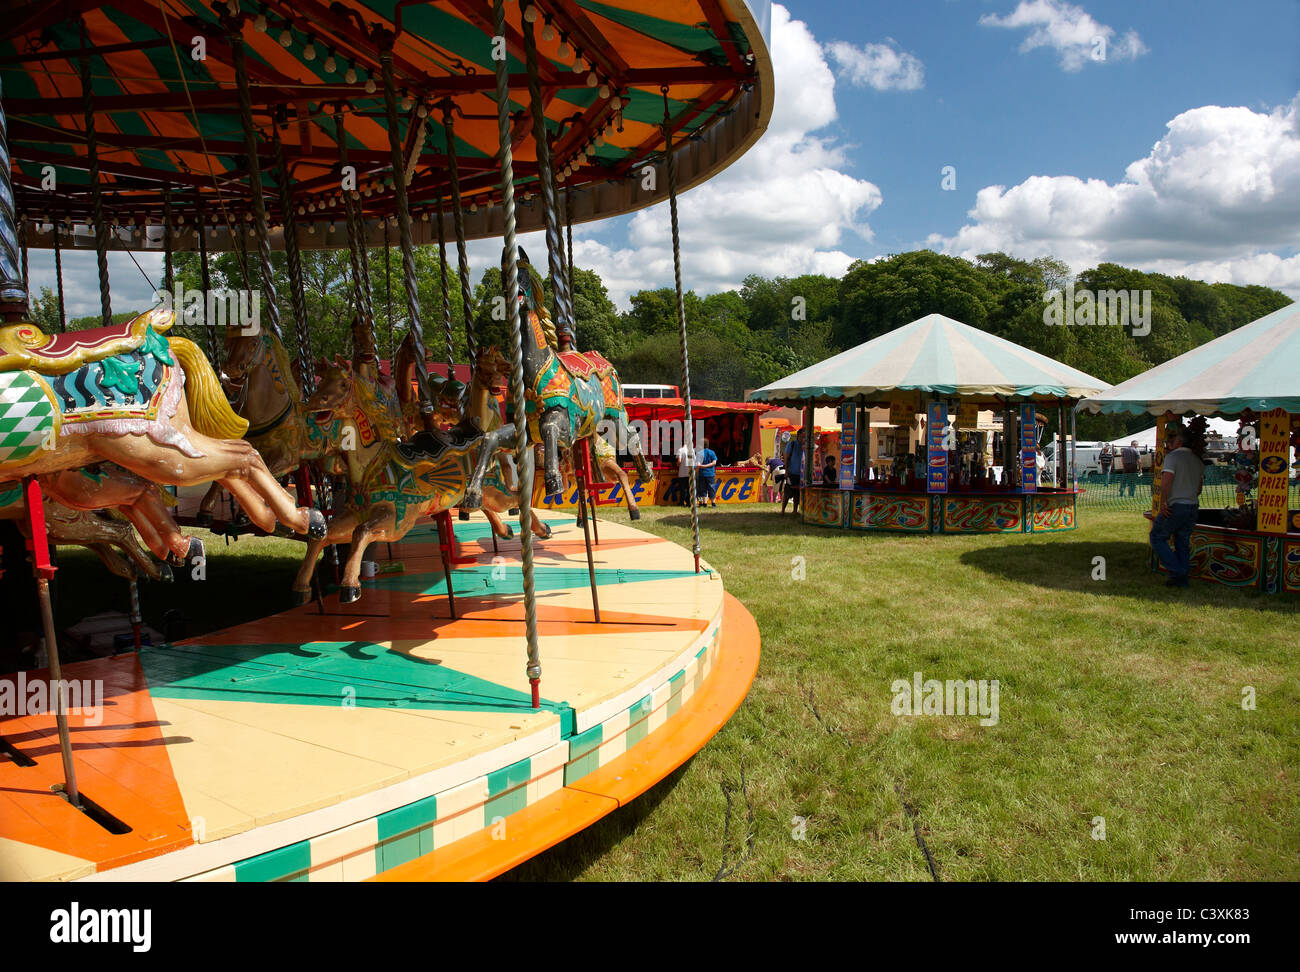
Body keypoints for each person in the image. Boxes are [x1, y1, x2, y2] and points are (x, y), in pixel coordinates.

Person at [1149, 426, 1205, 588]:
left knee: (1157, 537)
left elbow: (1166, 481)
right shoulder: (1197, 460)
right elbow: (1199, 489)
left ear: (1179, 441)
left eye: (1171, 440)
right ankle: (1181, 580)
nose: (1168, 444)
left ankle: (1178, 571)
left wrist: (1164, 501)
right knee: (1182, 541)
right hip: (1192, 505)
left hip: (1175, 505)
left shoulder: (1173, 457)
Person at [781, 431, 803, 514]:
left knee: (797, 493)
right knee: (788, 491)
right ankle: (783, 510)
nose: (803, 438)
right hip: (792, 472)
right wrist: (786, 471)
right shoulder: (792, 444)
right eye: (802, 436)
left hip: (801, 474)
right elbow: (786, 458)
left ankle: (795, 510)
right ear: (798, 436)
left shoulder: (805, 446)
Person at [695, 438, 719, 508]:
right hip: (711, 473)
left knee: (703, 488)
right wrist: (706, 466)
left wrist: (700, 468)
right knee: (711, 488)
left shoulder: (699, 453)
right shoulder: (712, 452)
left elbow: (698, 465)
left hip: (702, 474)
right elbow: (714, 463)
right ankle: (713, 503)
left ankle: (705, 503)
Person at [674, 441, 695, 506]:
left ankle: (681, 502)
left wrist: (677, 464)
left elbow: (679, 461)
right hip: (690, 472)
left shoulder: (680, 450)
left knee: (682, 489)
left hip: (682, 473)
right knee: (689, 489)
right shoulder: (692, 450)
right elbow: (694, 460)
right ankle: (688, 503)